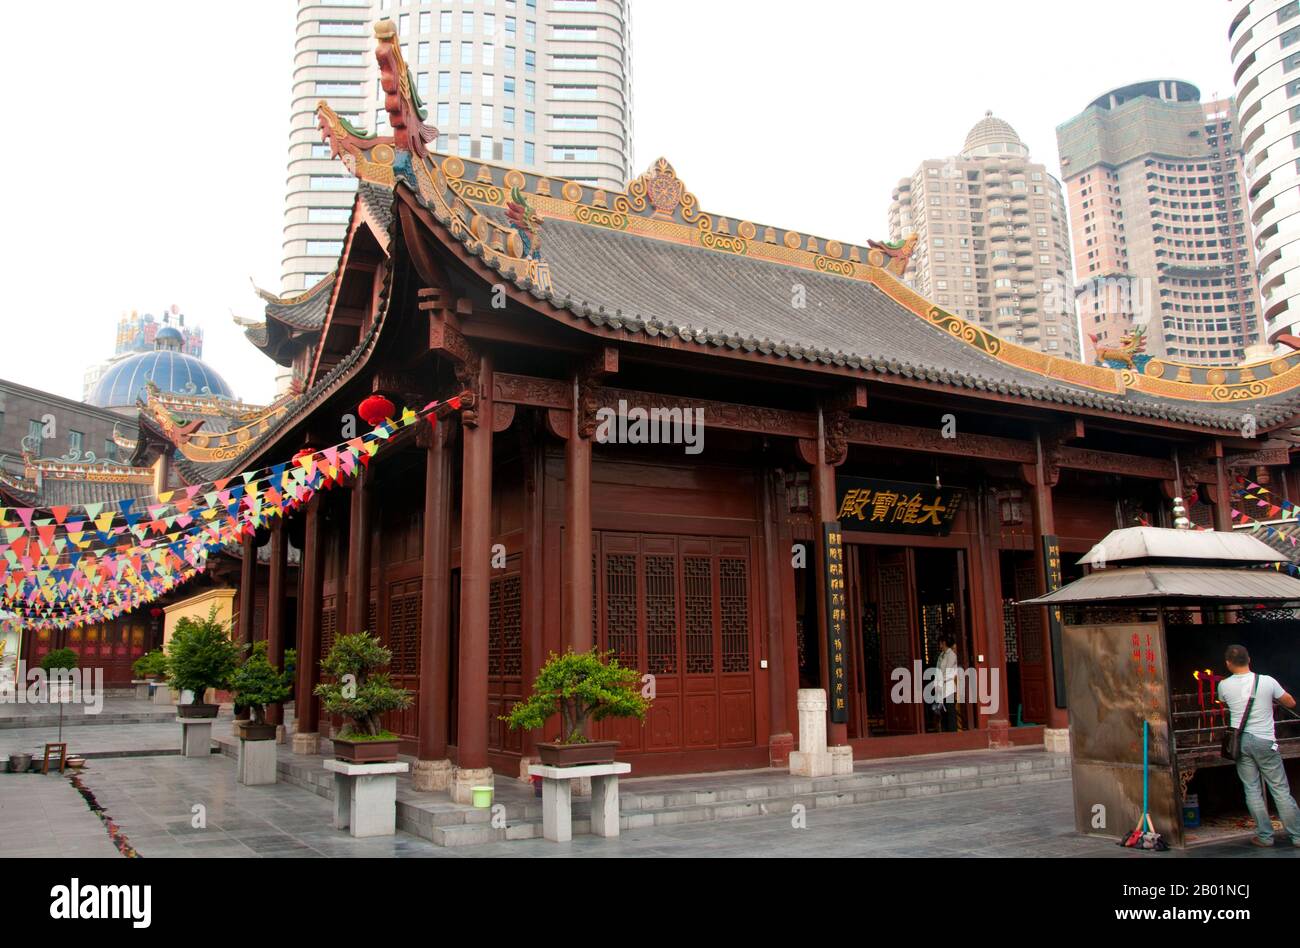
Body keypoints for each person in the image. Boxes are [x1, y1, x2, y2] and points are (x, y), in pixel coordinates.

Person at [1218, 644, 1300, 847]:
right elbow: (1290, 703)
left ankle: (1265, 837)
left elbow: (1225, 703)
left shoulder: (1224, 685)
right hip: (1265, 740)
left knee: (1252, 789)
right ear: (1249, 659)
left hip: (1241, 742)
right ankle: (1298, 836)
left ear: (1228, 663)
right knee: (1280, 789)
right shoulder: (1267, 681)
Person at [936, 634, 959, 733]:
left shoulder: (951, 655)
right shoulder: (941, 655)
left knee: (950, 710)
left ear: (944, 643)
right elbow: (937, 670)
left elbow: (949, 672)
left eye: (940, 643)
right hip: (941, 687)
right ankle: (945, 731)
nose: (939, 645)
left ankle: (953, 731)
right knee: (943, 711)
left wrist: (941, 681)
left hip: (948, 686)